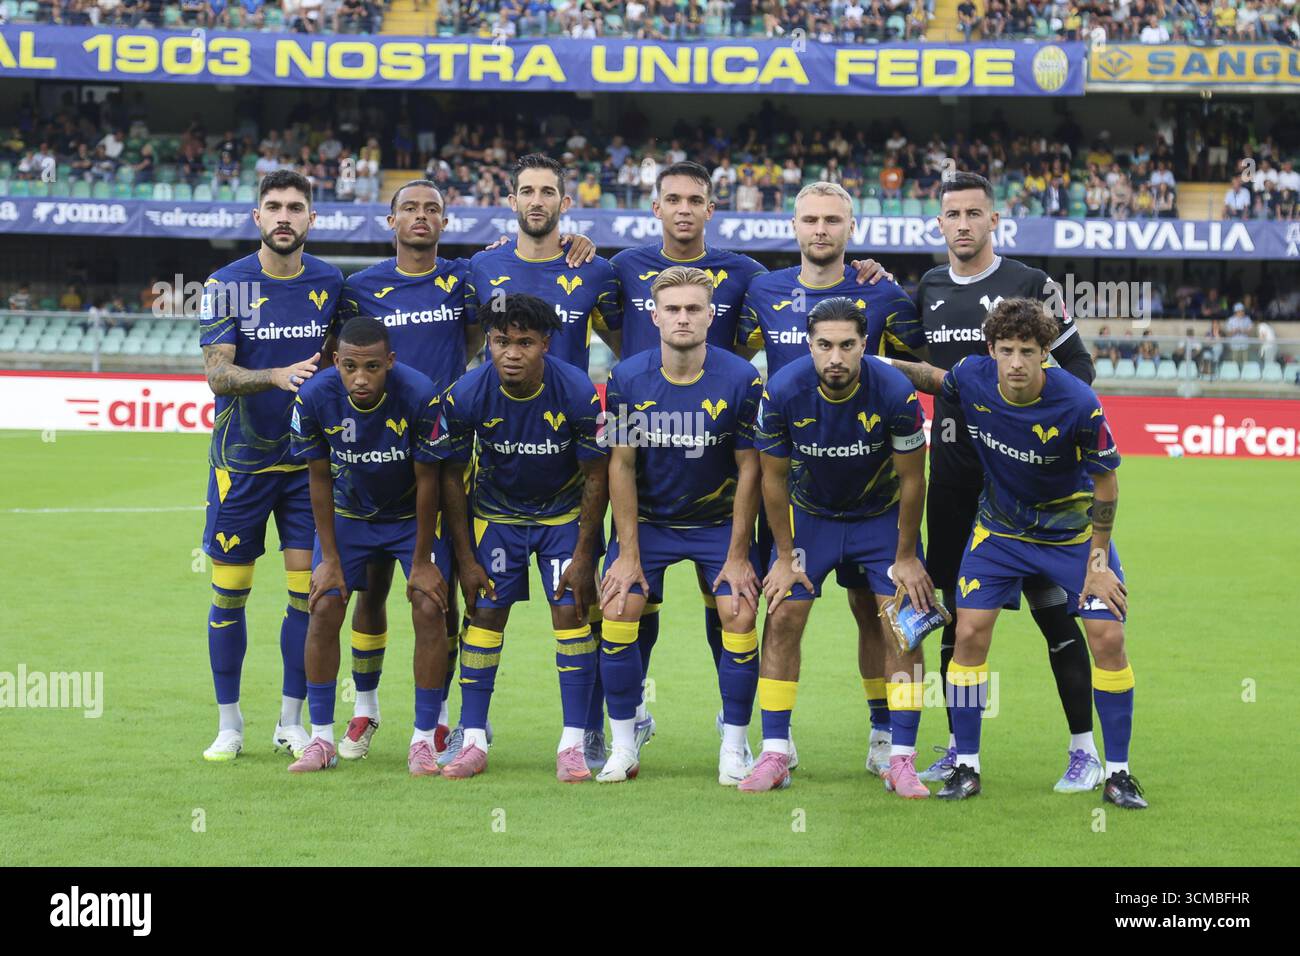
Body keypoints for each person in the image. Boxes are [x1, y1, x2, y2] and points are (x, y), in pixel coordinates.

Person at [890, 298, 1147, 809]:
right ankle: (967, 766)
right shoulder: (973, 375)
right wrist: (871, 363)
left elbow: (1107, 487)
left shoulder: (1078, 403)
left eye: (1027, 351)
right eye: (1005, 349)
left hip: (1071, 536)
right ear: (991, 349)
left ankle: (1117, 773)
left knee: (1108, 636)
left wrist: (1097, 564)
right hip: (1000, 534)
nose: (1015, 363)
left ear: (1045, 353)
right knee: (967, 632)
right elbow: (931, 377)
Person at [909, 172, 1104, 792]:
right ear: (938, 224)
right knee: (956, 614)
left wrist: (1037, 444)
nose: (962, 223)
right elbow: (920, 370)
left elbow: (1079, 368)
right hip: (954, 478)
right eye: (951, 214)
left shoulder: (1029, 286)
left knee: (1054, 614)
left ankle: (1084, 750)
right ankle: (960, 750)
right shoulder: (931, 287)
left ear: (995, 220)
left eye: (974, 213)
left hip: (1026, 485)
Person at [738, 181, 925, 773]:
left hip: (877, 505)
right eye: (811, 219)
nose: (821, 230)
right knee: (785, 610)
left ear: (851, 227)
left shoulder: (883, 292)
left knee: (889, 618)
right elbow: (719, 352)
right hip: (805, 502)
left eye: (833, 220)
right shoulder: (761, 290)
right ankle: (774, 747)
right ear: (794, 226)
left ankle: (889, 744)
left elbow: (916, 370)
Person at [315, 181, 480, 760]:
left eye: (432, 209)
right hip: (372, 458)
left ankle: (439, 721)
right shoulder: (359, 288)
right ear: (390, 220)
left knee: (441, 589)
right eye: (409, 208)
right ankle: (364, 710)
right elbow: (341, 355)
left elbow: (480, 329)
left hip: (448, 454)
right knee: (371, 588)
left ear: (444, 221)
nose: (420, 216)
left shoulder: (463, 279)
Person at [432, 294, 610, 782]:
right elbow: (450, 476)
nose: (511, 352)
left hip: (562, 516)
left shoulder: (576, 391)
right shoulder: (467, 393)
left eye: (524, 342)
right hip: (496, 517)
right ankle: (472, 740)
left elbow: (598, 476)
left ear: (545, 345)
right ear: (488, 342)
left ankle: (573, 744)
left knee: (572, 612)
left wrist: (584, 554)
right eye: (500, 341)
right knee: (484, 614)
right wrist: (465, 559)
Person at [198, 169, 344, 762]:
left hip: (308, 466)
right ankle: (229, 724)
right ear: (257, 218)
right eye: (274, 207)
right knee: (230, 594)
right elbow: (217, 374)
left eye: (296, 207)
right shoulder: (226, 283)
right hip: (242, 465)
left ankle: (289, 720)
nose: (285, 216)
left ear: (312, 219)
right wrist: (276, 377)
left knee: (306, 598)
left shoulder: (332, 282)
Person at [597, 266, 764, 784]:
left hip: (718, 522)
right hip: (650, 521)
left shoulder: (741, 379)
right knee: (620, 605)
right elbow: (620, 464)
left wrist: (738, 555)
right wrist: (627, 552)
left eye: (694, 308)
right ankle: (625, 743)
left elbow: (750, 468)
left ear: (712, 316)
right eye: (673, 309)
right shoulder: (627, 377)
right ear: (654, 316)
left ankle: (734, 744)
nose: (683, 317)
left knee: (737, 610)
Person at [285, 317, 450, 775]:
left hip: (408, 518)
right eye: (351, 366)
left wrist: (420, 561)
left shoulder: (419, 395)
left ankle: (423, 739)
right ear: (336, 362)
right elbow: (317, 478)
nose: (361, 378)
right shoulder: (315, 397)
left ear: (390, 362)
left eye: (373, 367)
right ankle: (320, 740)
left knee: (429, 605)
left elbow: (427, 482)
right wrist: (331, 559)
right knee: (323, 604)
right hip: (350, 515)